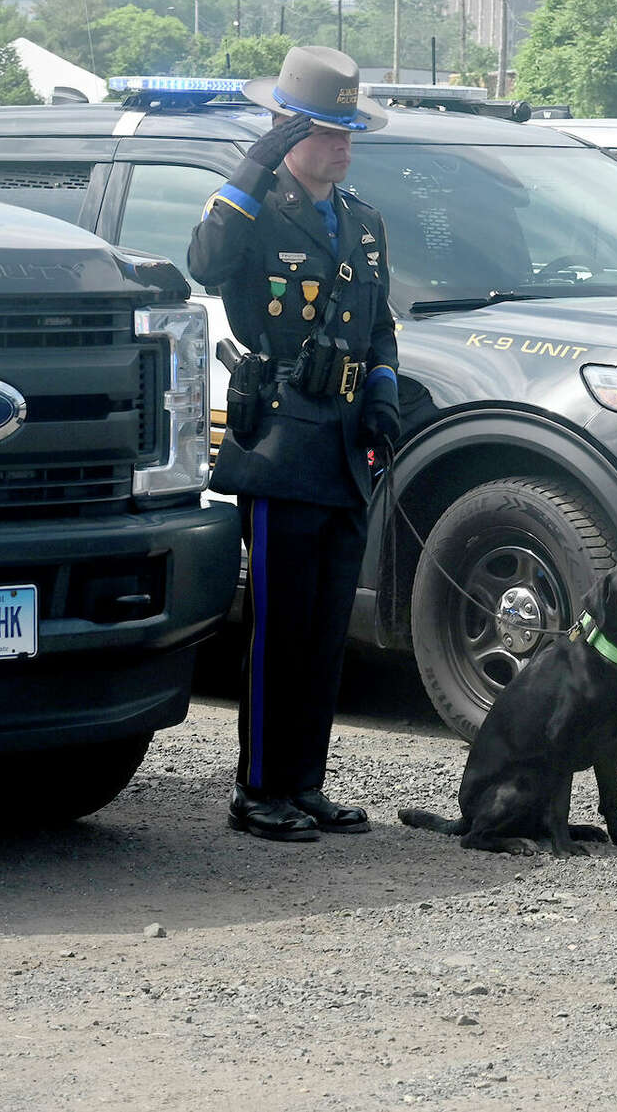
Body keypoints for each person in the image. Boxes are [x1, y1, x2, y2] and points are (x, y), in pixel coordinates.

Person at [187, 45, 400, 843]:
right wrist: (248, 170)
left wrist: (381, 398)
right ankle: (258, 788)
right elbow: (204, 263)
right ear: (286, 130)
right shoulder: (256, 208)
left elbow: (380, 328)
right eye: (329, 131)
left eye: (352, 131)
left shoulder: (365, 222)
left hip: (345, 449)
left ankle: (305, 782)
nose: (345, 146)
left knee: (325, 630)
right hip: (278, 444)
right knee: (279, 630)